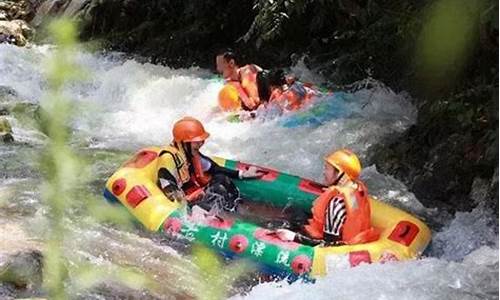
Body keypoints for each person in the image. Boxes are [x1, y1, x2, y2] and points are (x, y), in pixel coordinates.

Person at [156, 116, 263, 212]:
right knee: (217, 189)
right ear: (184, 142)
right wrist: (186, 202)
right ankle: (213, 215)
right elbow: (168, 187)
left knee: (221, 178)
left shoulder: (190, 154)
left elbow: (214, 168)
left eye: (202, 141)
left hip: (192, 194)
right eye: (197, 142)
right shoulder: (168, 158)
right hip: (184, 201)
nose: (201, 144)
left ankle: (236, 207)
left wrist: (241, 174)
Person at [275, 149, 379, 246]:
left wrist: (294, 237)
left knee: (279, 222)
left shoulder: (337, 204)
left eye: (327, 169)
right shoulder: (355, 189)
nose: (324, 172)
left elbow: (329, 245)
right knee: (293, 210)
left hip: (329, 242)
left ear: (340, 174)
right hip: (353, 238)